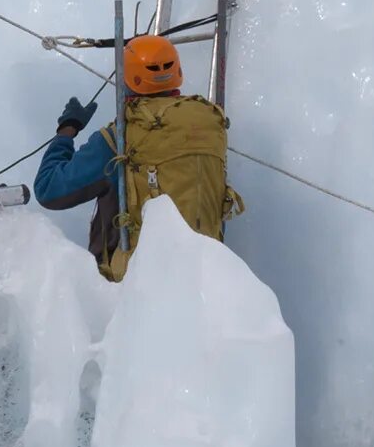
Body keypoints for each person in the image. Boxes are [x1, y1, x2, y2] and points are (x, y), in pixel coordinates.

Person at [32, 33, 242, 279]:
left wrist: (67, 129)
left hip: (135, 281)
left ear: (128, 77)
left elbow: (49, 189)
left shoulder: (119, 138)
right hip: (205, 275)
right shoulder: (210, 123)